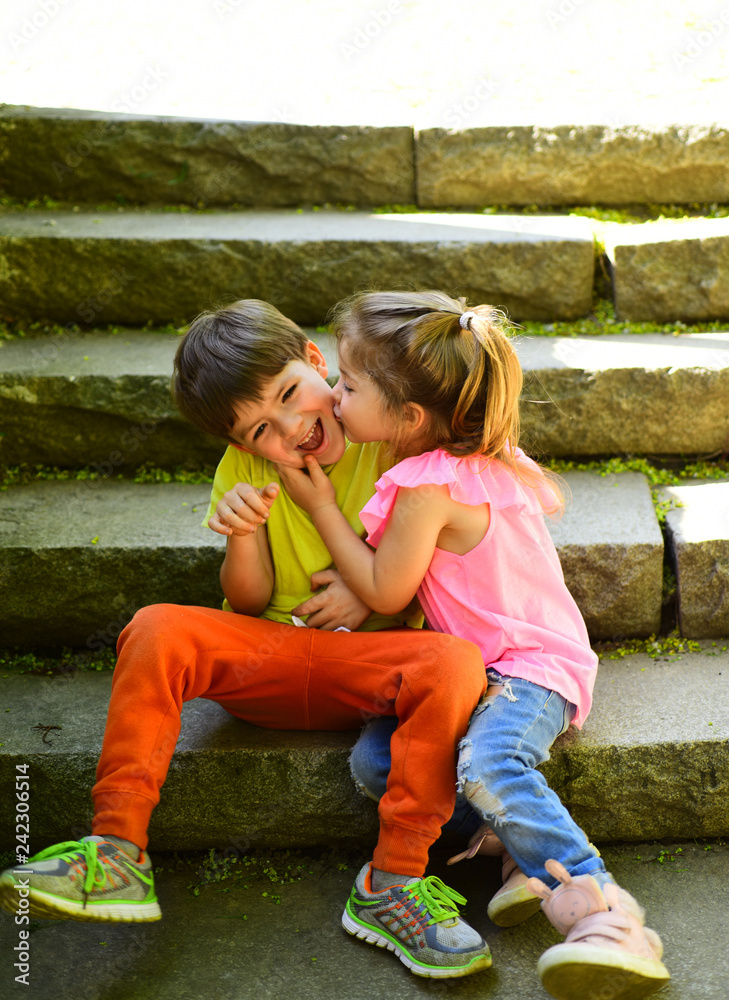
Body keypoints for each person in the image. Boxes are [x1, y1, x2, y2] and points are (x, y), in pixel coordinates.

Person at [0, 299, 492, 980]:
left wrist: (373, 587)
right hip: (271, 665)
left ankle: (393, 882)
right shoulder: (247, 471)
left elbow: (432, 562)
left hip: (374, 666)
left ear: (319, 362)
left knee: (457, 662)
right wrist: (240, 533)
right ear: (239, 444)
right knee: (156, 624)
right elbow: (249, 598)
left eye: (292, 393)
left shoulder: (391, 439)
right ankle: (115, 849)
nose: (292, 427)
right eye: (261, 428)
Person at [276, 290, 671, 1000]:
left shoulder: (427, 488)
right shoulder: (463, 456)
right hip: (462, 671)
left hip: (526, 667)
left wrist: (321, 509)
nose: (334, 397)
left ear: (408, 419)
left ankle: (608, 917)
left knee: (489, 761)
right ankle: (508, 843)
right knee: (380, 763)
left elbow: (385, 587)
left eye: (349, 384)